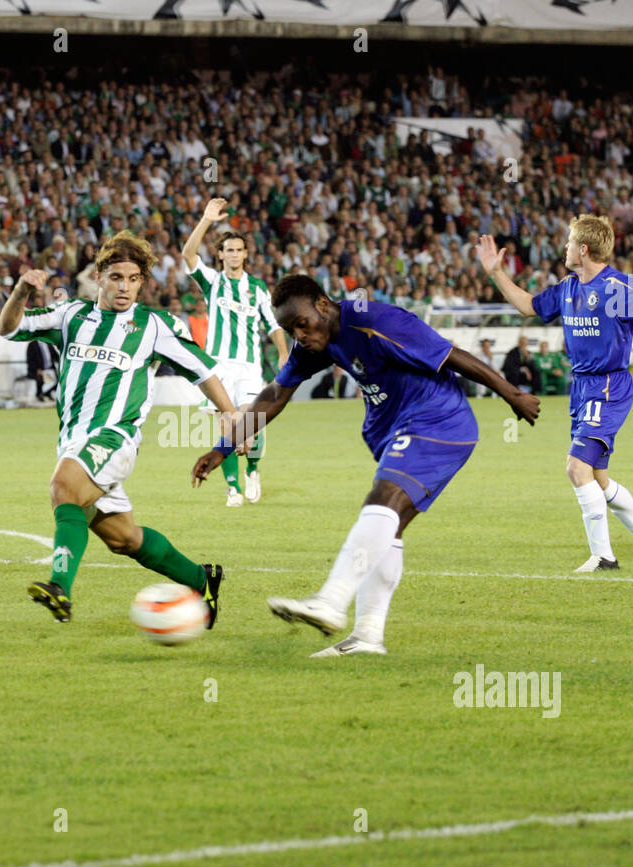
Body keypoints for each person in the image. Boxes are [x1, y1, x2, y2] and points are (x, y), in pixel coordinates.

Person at [192, 274, 540, 658]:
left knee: (383, 499)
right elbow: (276, 394)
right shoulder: (316, 339)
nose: (299, 336)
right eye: (290, 329)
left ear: (323, 305)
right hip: (399, 428)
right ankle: (368, 636)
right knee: (390, 529)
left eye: (302, 324)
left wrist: (513, 394)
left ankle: (330, 601)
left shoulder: (378, 322)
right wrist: (223, 448)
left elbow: (451, 355)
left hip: (437, 421)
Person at [0, 230, 236, 625]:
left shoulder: (154, 325)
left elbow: (202, 371)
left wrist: (231, 417)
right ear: (99, 277)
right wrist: (22, 289)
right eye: (116, 277)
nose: (124, 287)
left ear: (142, 282)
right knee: (124, 539)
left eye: (133, 279)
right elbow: (8, 328)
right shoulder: (71, 315)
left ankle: (59, 587)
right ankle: (202, 579)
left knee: (63, 488)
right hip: (75, 441)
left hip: (116, 438)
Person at [478, 216, 633, 573]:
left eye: (568, 243)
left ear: (583, 249)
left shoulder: (616, 288)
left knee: (576, 467)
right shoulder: (567, 288)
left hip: (608, 386)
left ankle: (604, 557)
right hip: (582, 389)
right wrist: (495, 272)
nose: (564, 248)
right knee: (597, 478)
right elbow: (528, 305)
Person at [181, 197, 290, 507]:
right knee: (227, 424)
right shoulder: (212, 282)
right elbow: (188, 253)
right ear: (220, 255)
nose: (233, 254)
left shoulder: (257, 288)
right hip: (218, 367)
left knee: (251, 424)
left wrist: (283, 354)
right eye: (228, 249)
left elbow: (273, 325)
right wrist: (206, 220)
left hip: (249, 365)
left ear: (245, 254)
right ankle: (232, 488)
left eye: (238, 249)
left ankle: (252, 470)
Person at [26, 338, 58, 402]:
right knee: (41, 382)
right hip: (40, 370)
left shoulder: (48, 343)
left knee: (57, 382)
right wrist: (37, 370)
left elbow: (55, 356)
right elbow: (30, 359)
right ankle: (40, 395)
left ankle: (47, 394)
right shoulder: (32, 345)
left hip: (51, 369)